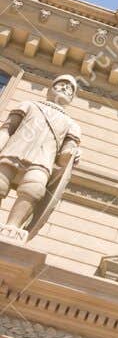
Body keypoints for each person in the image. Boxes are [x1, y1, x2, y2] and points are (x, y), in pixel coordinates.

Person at [0, 74, 81, 236]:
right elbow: (7, 129)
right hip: (13, 152)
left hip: (43, 161)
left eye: (70, 88)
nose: (65, 88)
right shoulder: (28, 105)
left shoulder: (72, 124)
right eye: (62, 84)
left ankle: (12, 226)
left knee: (33, 189)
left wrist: (72, 154)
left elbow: (65, 153)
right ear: (50, 88)